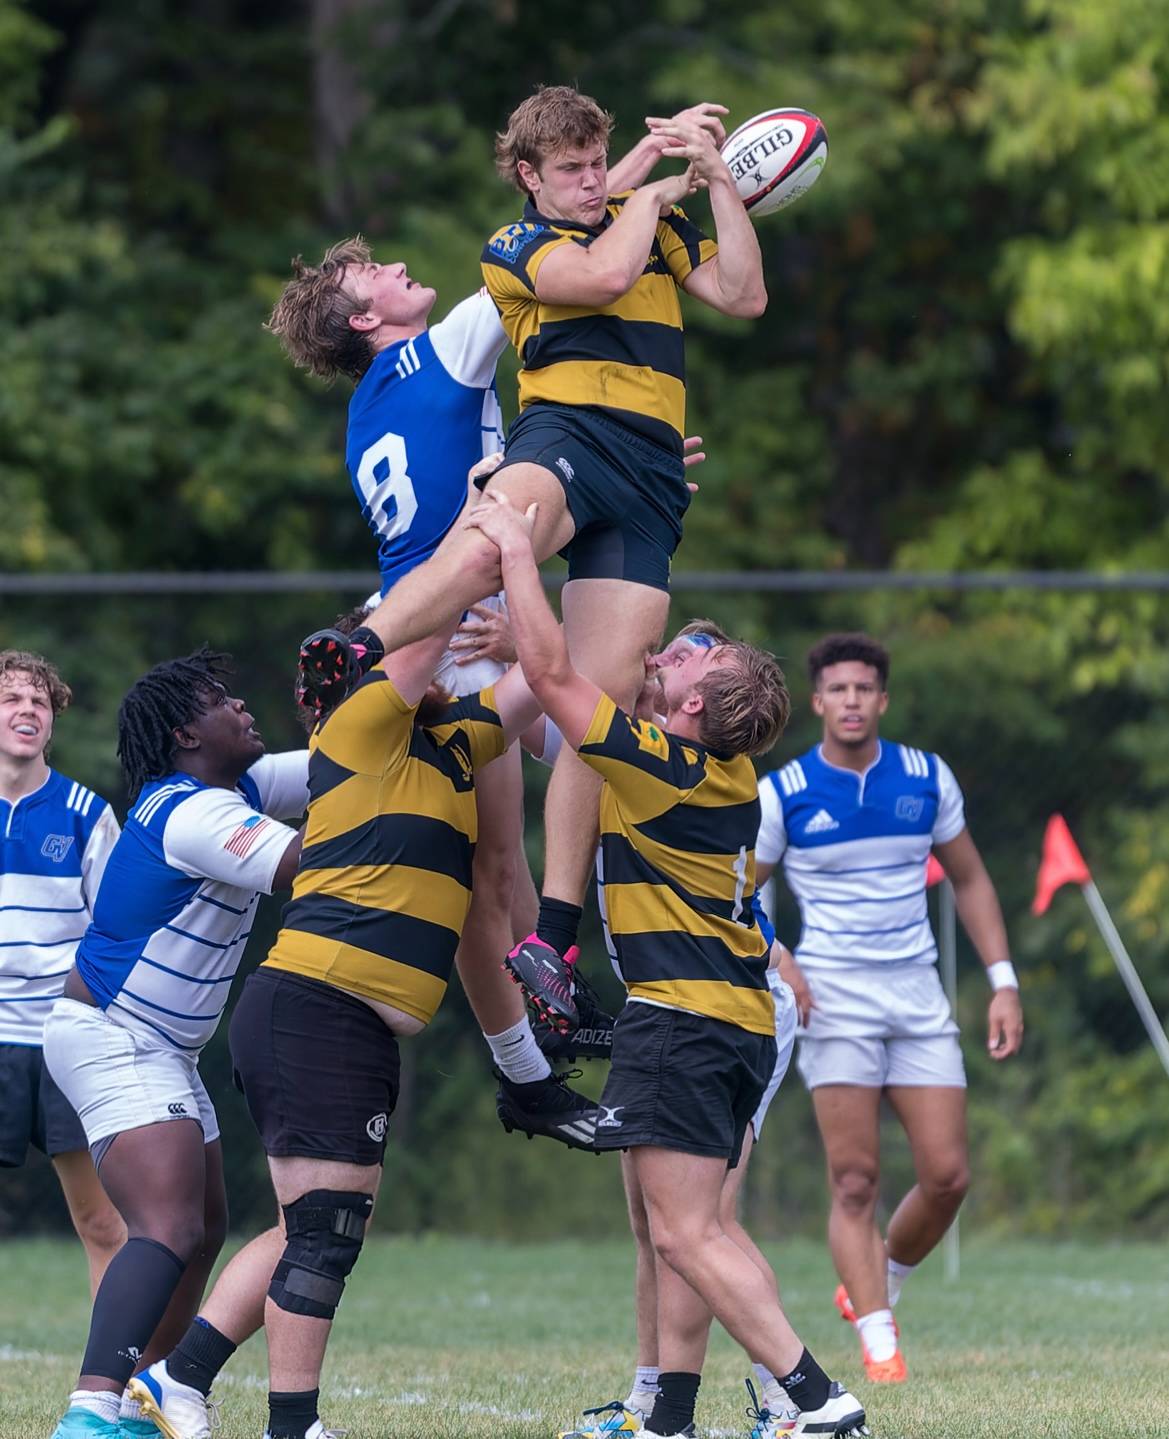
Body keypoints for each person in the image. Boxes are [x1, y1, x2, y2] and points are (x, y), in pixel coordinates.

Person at [263, 103, 721, 1141]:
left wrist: (631, 452)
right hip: (451, 627)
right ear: (364, 322)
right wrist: (647, 165)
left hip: (421, 612)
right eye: (373, 275)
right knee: (489, 858)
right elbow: (574, 251)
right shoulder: (443, 352)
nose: (393, 268)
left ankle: (542, 1029)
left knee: (499, 857)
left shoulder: (368, 409)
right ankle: (530, 1049)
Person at [465, 492, 866, 1439]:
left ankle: (816, 1400)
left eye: (690, 657)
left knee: (686, 1233)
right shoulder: (713, 768)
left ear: (689, 707)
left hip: (685, 1019)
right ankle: (671, 1416)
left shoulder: (661, 767)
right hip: (725, 1019)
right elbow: (563, 718)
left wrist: (519, 548)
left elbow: (557, 677)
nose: (669, 649)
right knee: (689, 1229)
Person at [128, 610, 585, 1439]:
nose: (442, 666)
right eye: (425, 654)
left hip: (341, 1021)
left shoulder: (454, 743)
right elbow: (423, 620)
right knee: (324, 1231)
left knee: (314, 1225)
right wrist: (462, 551)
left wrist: (517, 627)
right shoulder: (360, 718)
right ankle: (291, 1423)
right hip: (317, 1006)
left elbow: (548, 678)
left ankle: (178, 1374)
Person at [42, 650, 307, 1439]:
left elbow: (342, 766)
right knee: (167, 1225)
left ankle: (137, 1402)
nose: (242, 705)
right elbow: (307, 864)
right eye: (221, 699)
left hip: (160, 1044)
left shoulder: (234, 790)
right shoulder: (193, 813)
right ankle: (91, 1413)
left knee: (203, 1228)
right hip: (116, 1034)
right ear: (186, 734)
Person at [755, 633, 1024, 1383]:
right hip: (831, 999)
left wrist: (1003, 980)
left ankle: (876, 1281)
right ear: (817, 701)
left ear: (883, 699)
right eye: (838, 689)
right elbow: (740, 891)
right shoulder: (784, 791)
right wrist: (780, 957)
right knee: (854, 1180)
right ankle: (880, 1345)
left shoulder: (926, 778)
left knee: (947, 1176)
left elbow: (969, 879)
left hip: (916, 993)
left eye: (864, 688)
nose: (851, 700)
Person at [0, 650, 124, 1296]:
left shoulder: (86, 812)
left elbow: (119, 931)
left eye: (39, 701)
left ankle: (114, 1357)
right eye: (12, 698)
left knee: (101, 1222)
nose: (27, 710)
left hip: (62, 1039)